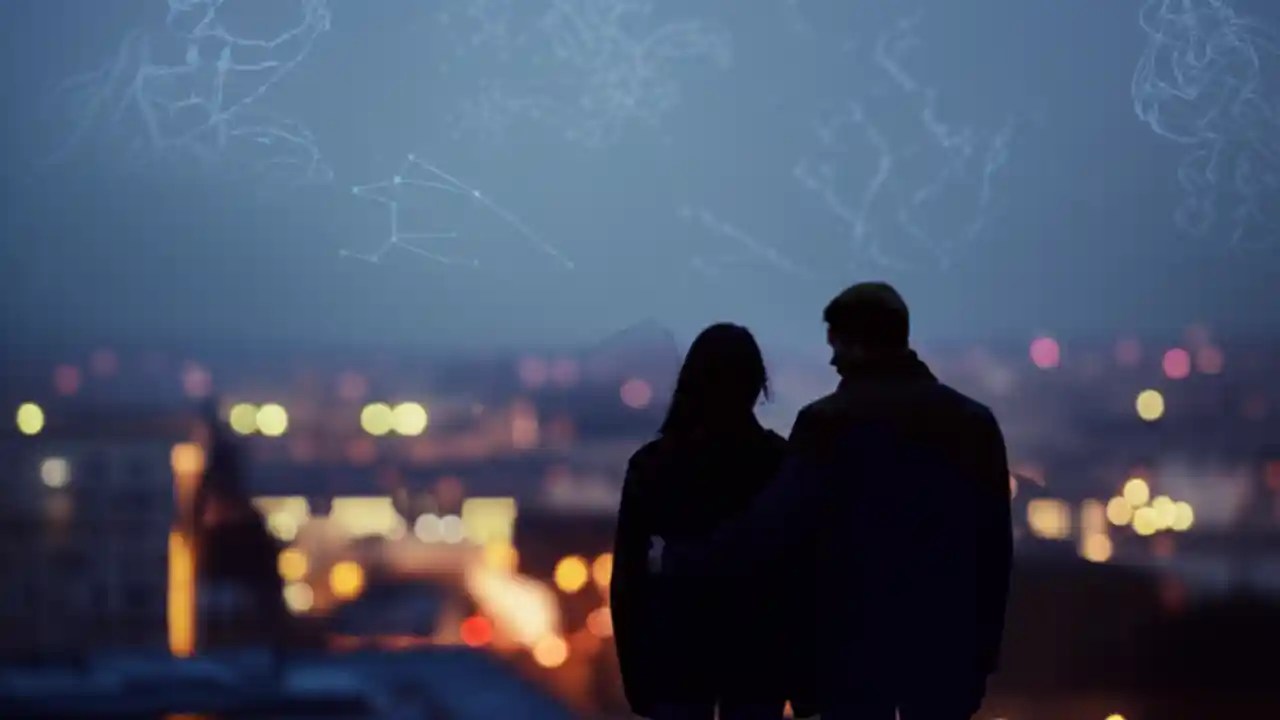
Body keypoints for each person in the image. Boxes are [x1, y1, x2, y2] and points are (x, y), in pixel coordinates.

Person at [654, 282, 1014, 720]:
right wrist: (982, 656)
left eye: (836, 345)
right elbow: (994, 551)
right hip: (947, 651)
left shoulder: (828, 424)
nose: (833, 360)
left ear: (858, 344)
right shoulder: (973, 424)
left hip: (853, 655)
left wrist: (687, 559)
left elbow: (774, 529)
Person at [610, 323, 812, 720]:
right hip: (758, 651)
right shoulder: (779, 462)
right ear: (757, 387)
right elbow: (802, 574)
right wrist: (805, 678)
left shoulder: (653, 466)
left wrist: (635, 674)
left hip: (677, 650)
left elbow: (628, 579)